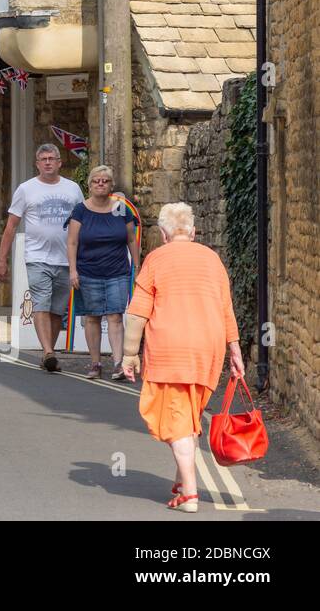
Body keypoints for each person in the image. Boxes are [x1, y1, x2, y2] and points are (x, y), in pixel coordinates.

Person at [121, 203, 244, 514]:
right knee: (186, 418)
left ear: (163, 234)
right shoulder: (212, 259)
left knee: (176, 424)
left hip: (169, 352)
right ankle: (180, 480)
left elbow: (136, 314)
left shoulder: (156, 258)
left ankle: (189, 494)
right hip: (208, 350)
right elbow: (226, 308)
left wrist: (129, 355)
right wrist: (235, 350)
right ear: (193, 232)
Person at [0, 144, 85, 372]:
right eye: (43, 159)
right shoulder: (26, 189)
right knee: (41, 305)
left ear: (59, 162)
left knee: (57, 310)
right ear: (37, 164)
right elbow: (11, 227)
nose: (47, 162)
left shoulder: (73, 189)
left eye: (51, 158)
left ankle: (49, 351)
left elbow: (82, 223)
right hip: (37, 257)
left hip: (66, 259)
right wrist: (1, 259)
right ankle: (48, 351)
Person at [66, 165, 140, 380]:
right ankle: (96, 363)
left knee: (116, 316)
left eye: (105, 181)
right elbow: (72, 242)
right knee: (92, 317)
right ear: (89, 185)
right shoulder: (80, 210)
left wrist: (137, 267)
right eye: (96, 181)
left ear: (111, 185)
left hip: (117, 271)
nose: (100, 184)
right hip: (88, 271)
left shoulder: (120, 209)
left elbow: (131, 239)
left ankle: (118, 364)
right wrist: (73, 270)